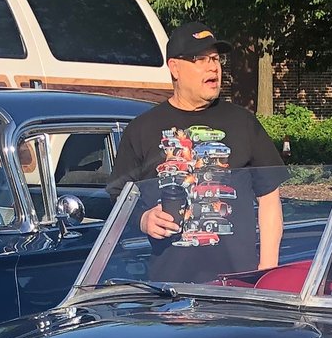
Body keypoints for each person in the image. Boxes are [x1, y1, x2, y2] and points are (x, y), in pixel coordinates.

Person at [106, 20, 285, 281]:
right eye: (200, 59)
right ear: (174, 68)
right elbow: (118, 198)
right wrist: (143, 219)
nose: (213, 66)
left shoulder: (243, 123)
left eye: (216, 58)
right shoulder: (142, 129)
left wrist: (266, 271)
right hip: (171, 288)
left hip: (236, 286)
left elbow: (269, 198)